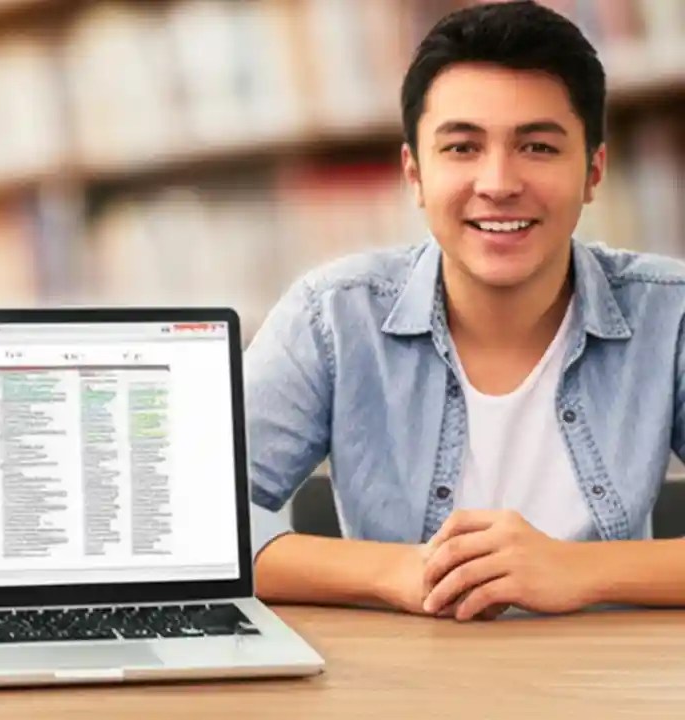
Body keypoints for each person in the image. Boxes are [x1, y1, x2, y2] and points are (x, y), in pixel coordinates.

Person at [246, 0, 685, 621]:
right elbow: (186, 524)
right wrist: (399, 571)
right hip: (407, 686)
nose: (499, 182)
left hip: (608, 685)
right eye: (461, 148)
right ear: (414, 173)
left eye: (537, 146)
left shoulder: (671, 314)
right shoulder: (333, 317)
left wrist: (577, 569)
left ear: (593, 172)